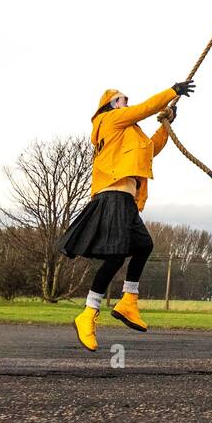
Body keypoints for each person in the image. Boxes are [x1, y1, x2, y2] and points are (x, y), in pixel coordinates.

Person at [62, 81, 194, 350]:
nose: (127, 101)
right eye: (123, 98)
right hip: (112, 196)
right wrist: (172, 91)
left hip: (126, 200)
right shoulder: (111, 120)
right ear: (110, 104)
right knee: (115, 256)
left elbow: (150, 150)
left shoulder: (129, 133)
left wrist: (166, 125)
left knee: (144, 245)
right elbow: (145, 108)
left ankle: (128, 302)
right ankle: (88, 313)